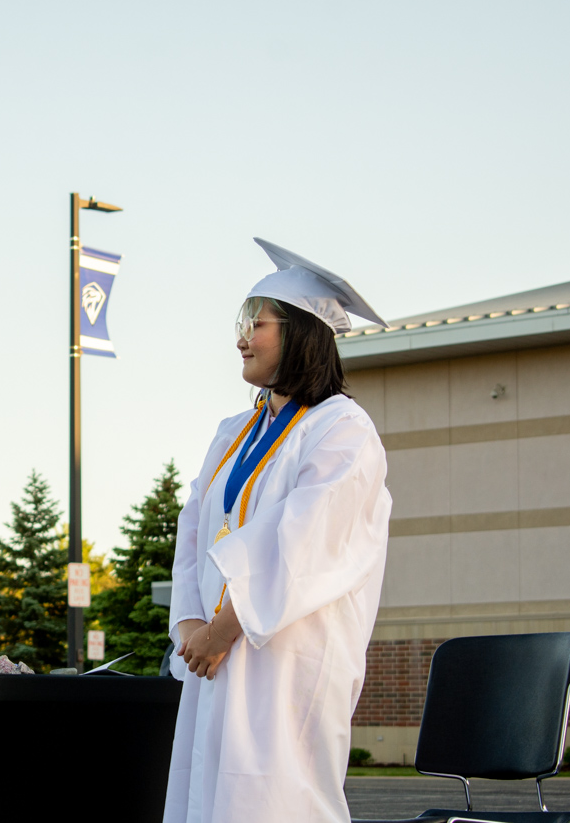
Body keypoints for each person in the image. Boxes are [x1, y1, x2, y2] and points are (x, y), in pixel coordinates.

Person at [164, 238, 393, 823]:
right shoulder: (233, 431)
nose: (240, 336)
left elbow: (308, 540)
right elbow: (196, 527)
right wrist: (193, 625)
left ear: (300, 333)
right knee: (208, 795)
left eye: (254, 322)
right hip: (214, 654)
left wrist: (224, 628)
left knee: (277, 796)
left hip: (287, 654)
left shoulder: (341, 428)